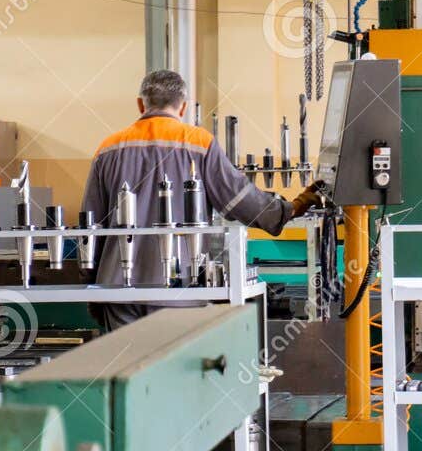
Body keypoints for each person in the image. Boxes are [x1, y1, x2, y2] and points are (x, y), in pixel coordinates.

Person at [80, 69, 323, 329]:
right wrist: (291, 208)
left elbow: (89, 224)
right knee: (175, 365)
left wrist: (94, 285)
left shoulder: (109, 147)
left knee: (127, 367)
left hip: (118, 290)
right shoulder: (198, 143)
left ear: (141, 104)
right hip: (178, 287)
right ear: (183, 107)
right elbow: (242, 199)